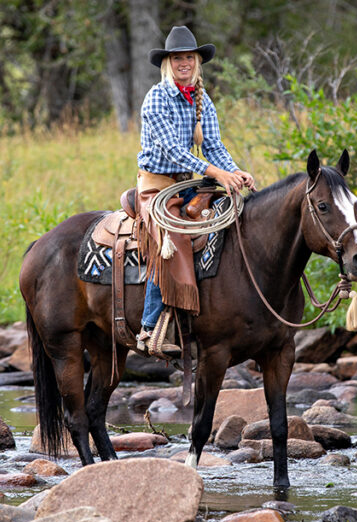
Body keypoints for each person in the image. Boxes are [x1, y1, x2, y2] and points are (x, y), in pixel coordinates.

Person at [133, 25, 254, 357]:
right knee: (173, 239)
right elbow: (172, 150)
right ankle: (149, 328)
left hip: (189, 182)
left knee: (233, 219)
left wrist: (233, 173)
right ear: (168, 63)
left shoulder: (202, 98)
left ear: (197, 62)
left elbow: (214, 146)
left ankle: (221, 313)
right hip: (157, 184)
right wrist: (215, 172)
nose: (183, 63)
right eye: (177, 59)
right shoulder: (156, 98)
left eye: (189, 57)